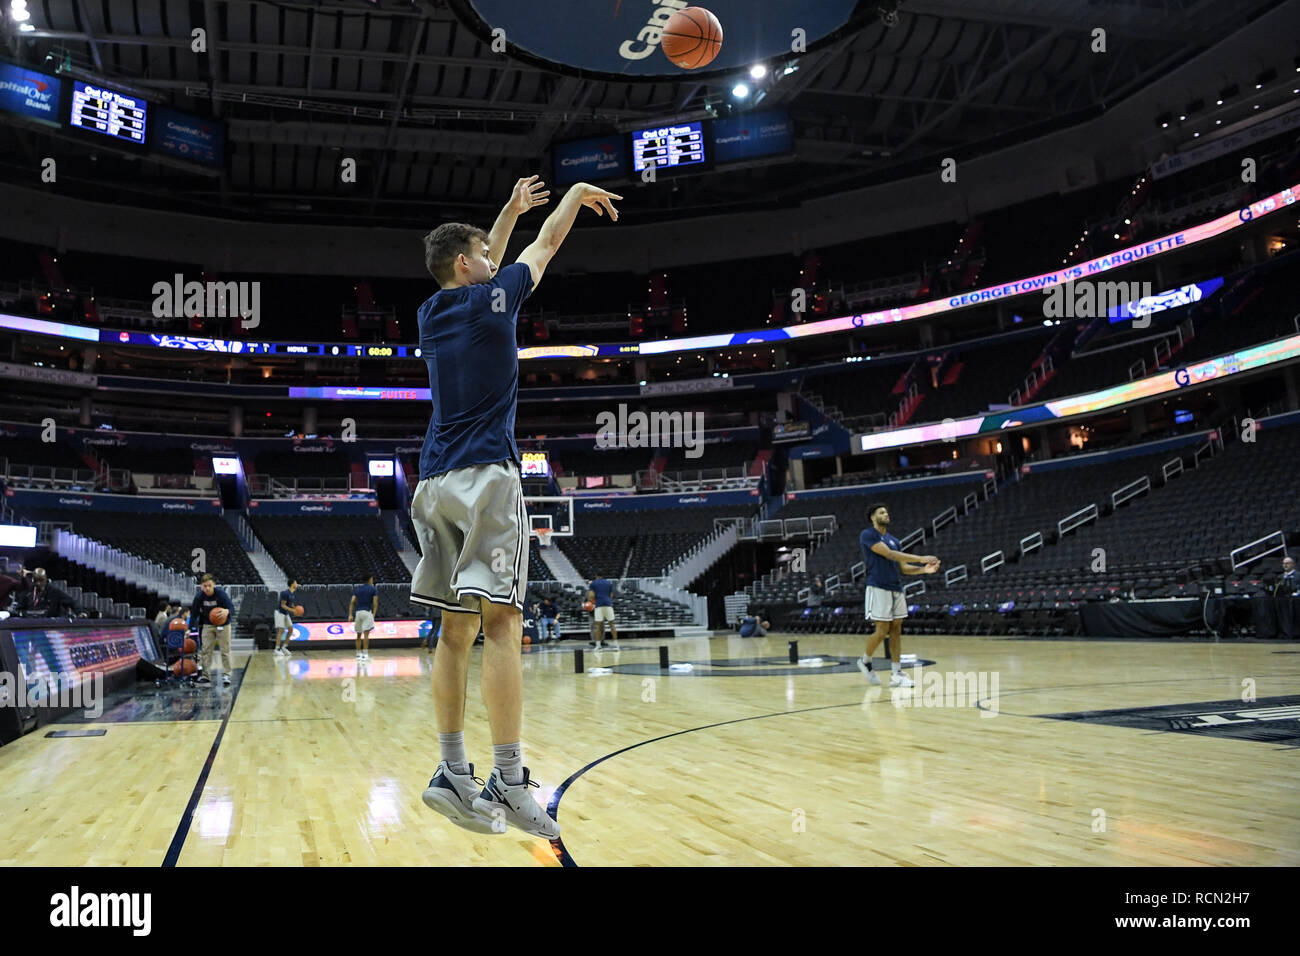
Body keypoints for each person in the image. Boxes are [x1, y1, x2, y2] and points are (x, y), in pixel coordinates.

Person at [413, 175, 621, 840]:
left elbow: (490, 261)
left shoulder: (432, 311)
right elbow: (548, 242)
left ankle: (451, 772)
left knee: (454, 631)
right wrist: (571, 198)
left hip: (432, 484)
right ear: (468, 265)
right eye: (484, 254)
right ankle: (508, 777)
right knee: (501, 627)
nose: (494, 261)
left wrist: (502, 211)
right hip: (486, 480)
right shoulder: (492, 298)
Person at [857, 503, 939, 688]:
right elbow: (890, 555)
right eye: (881, 512)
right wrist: (921, 558)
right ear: (872, 517)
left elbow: (903, 568)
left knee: (896, 630)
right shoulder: (868, 535)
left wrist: (923, 570)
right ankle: (865, 661)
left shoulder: (894, 540)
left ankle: (897, 673)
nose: (886, 514)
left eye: (887, 511)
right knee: (882, 630)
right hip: (878, 586)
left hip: (896, 588)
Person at [190, 573, 235, 686]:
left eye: (209, 585)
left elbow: (232, 608)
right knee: (206, 651)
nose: (207, 588)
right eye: (205, 586)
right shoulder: (199, 596)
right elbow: (194, 613)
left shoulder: (221, 594)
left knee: (225, 650)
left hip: (223, 624)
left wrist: (227, 611)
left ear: (214, 584)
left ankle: (227, 675)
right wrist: (189, 628)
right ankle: (205, 676)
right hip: (208, 624)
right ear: (201, 586)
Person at [349, 573, 379, 660]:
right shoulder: (373, 589)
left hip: (358, 612)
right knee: (366, 635)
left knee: (358, 635)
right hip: (367, 612)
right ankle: (365, 654)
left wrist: (350, 614)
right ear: (370, 579)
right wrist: (373, 614)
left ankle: (358, 654)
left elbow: (352, 601)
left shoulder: (358, 589)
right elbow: (375, 603)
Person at [587, 575, 618, 650]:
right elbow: (611, 595)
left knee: (598, 626)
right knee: (612, 626)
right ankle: (616, 645)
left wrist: (596, 602)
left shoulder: (593, 584)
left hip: (599, 605)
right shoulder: (609, 583)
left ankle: (598, 646)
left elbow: (591, 596)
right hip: (608, 604)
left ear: (596, 576)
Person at [274, 579, 299, 657]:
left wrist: (296, 608)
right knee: (281, 630)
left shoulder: (292, 594)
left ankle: (284, 647)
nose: (297, 584)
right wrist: (292, 610)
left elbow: (290, 604)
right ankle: (277, 649)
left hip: (285, 613)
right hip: (279, 613)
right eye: (296, 582)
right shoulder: (285, 593)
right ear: (292, 584)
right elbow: (283, 605)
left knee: (291, 629)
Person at [1275, 556, 1298, 639]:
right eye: (1283, 563)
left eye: (1287, 563)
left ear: (1292, 564)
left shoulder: (1298, 575)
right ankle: (1284, 632)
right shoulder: (1280, 577)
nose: (1285, 565)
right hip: (1282, 600)